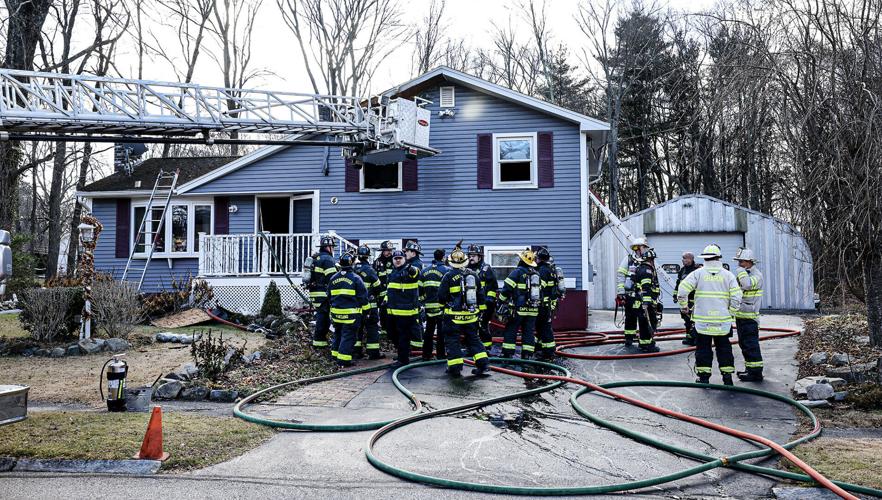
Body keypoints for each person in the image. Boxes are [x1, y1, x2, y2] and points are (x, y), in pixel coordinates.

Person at [677, 244, 742, 385]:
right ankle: (727, 378)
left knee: (703, 349)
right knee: (724, 348)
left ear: (704, 258)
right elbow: (737, 297)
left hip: (702, 322)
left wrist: (684, 307)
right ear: (719, 257)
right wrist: (731, 312)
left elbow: (682, 290)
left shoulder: (697, 273)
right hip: (722, 322)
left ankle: (704, 378)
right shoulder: (728, 275)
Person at [437, 245, 490, 377]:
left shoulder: (448, 276)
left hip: (453, 317)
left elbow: (441, 296)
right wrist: (480, 312)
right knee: (474, 339)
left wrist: (442, 307)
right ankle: (483, 365)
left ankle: (455, 368)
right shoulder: (474, 275)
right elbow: (481, 295)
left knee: (453, 340)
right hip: (471, 316)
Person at [497, 248, 540, 359]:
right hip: (533, 309)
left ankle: (508, 353)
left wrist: (500, 301)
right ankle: (527, 355)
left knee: (511, 330)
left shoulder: (517, 272)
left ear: (521, 260)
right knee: (528, 332)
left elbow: (506, 288)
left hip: (518, 309)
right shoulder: (536, 274)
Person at [328, 252, 368, 367]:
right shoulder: (356, 278)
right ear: (352, 265)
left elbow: (329, 295)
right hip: (351, 316)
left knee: (338, 334)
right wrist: (367, 311)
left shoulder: (333, 278)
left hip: (336, 314)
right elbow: (363, 298)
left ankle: (335, 356)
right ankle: (344, 360)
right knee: (348, 336)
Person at [385, 249, 422, 367]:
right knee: (392, 333)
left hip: (406, 312)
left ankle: (403, 359)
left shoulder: (409, 270)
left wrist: (411, 269)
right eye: (395, 259)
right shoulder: (393, 272)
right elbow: (390, 289)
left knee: (403, 336)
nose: (397, 261)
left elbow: (416, 273)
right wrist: (385, 300)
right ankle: (402, 354)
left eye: (400, 258)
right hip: (392, 311)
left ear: (404, 259)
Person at [733, 248, 764, 382]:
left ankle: (756, 373)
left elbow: (746, 285)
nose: (739, 264)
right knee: (744, 344)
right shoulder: (744, 274)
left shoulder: (756, 275)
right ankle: (749, 369)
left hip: (750, 318)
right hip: (741, 316)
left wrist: (740, 272)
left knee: (751, 345)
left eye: (741, 261)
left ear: (749, 262)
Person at [616, 237, 650, 347]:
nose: (637, 250)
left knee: (644, 318)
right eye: (636, 248)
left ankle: (644, 341)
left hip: (643, 296)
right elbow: (621, 275)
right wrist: (621, 291)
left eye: (640, 248)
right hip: (630, 295)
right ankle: (629, 338)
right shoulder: (628, 259)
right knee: (630, 317)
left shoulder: (649, 260)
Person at [355, 244, 384, 359]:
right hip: (370, 305)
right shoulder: (370, 270)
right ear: (368, 256)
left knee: (358, 328)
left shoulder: (353, 268)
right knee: (372, 327)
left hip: (356, 306)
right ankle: (373, 353)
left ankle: (357, 351)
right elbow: (378, 287)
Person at [467, 244, 498, 351]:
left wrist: (489, 300)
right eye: (470, 255)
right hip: (469, 304)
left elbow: (493, 287)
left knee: (482, 326)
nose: (471, 258)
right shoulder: (466, 269)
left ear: (479, 257)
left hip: (484, 304)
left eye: (473, 255)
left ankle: (486, 348)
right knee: (470, 327)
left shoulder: (486, 269)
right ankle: (472, 347)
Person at [308, 236, 337, 349]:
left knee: (322, 316)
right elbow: (332, 278)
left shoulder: (316, 257)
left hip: (315, 292)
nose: (333, 250)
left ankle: (320, 342)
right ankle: (319, 342)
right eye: (332, 247)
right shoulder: (328, 259)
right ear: (328, 247)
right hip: (323, 293)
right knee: (323, 319)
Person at [421, 248, 450, 360]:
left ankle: (426, 356)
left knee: (428, 332)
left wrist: (424, 301)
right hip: (441, 308)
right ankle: (441, 355)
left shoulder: (424, 271)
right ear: (443, 257)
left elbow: (420, 290)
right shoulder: (446, 271)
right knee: (441, 333)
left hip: (428, 308)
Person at [535, 246, 562, 360]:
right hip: (550, 303)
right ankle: (541, 348)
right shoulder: (551, 269)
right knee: (542, 326)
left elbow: (540, 287)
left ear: (539, 258)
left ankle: (549, 351)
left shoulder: (542, 270)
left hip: (543, 304)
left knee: (544, 327)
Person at [634, 249, 661, 353]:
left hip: (641, 302)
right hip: (645, 303)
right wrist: (646, 303)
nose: (653, 261)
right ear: (650, 259)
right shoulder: (647, 270)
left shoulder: (641, 268)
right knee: (649, 323)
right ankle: (648, 345)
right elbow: (646, 288)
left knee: (643, 324)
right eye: (652, 259)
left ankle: (643, 343)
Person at [675, 251, 701, 345]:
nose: (683, 260)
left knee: (694, 320)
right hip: (685, 299)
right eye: (683, 258)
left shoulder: (697, 270)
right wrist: (675, 294)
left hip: (695, 300)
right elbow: (678, 284)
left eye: (685, 258)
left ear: (690, 259)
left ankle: (696, 338)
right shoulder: (682, 270)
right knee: (687, 320)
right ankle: (689, 337)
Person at [373, 240, 395, 339]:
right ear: (382, 251)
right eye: (387, 250)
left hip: (393, 291)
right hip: (381, 291)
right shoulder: (377, 262)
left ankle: (392, 330)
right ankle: (384, 330)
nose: (389, 252)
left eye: (390, 250)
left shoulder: (395, 261)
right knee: (383, 311)